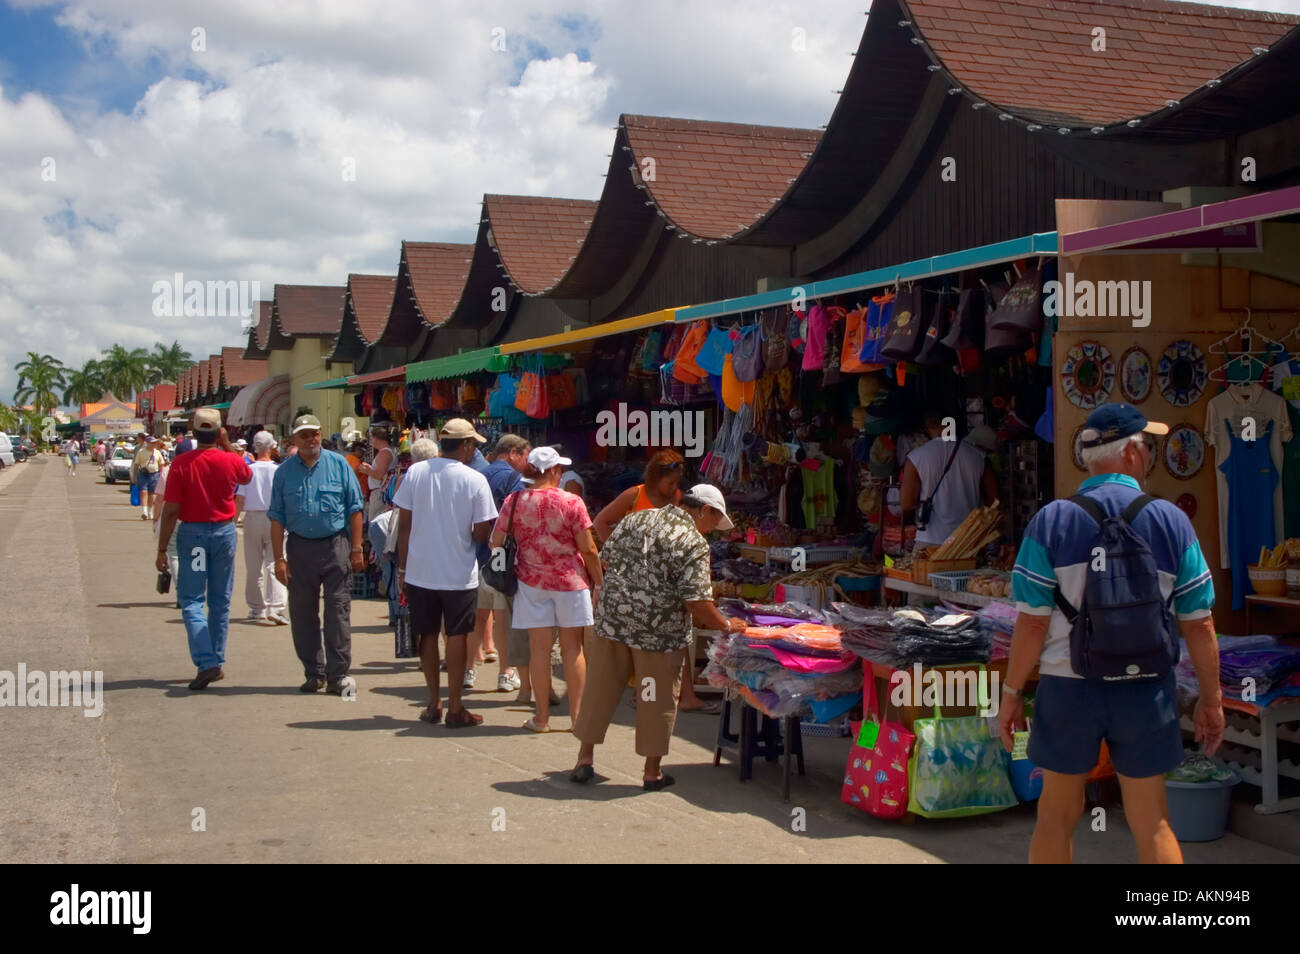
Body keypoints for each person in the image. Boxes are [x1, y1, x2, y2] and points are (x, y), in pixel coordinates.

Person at [1000, 403, 1224, 865]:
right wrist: (1212, 699)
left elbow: (1033, 622)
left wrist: (1011, 692)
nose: (1147, 454)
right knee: (1153, 821)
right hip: (1146, 690)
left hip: (1068, 686)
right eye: (1145, 445)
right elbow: (1199, 621)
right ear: (1130, 455)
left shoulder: (1052, 520)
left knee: (1056, 816)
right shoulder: (1170, 521)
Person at [571, 484, 745, 789]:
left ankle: (584, 760)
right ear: (703, 510)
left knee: (600, 689)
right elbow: (697, 602)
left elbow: (608, 557)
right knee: (656, 699)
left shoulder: (637, 519)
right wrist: (727, 625)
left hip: (615, 621)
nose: (712, 531)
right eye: (714, 522)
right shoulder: (693, 542)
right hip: (659, 636)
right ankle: (652, 773)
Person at [592, 449, 716, 714]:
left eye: (677, 483)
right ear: (654, 478)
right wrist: (617, 556)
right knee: (639, 640)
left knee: (676, 639)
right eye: (670, 482)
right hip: (636, 585)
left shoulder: (679, 500)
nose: (674, 489)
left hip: (666, 583)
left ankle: (683, 694)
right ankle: (644, 694)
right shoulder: (635, 495)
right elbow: (601, 521)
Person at [394, 418, 497, 728]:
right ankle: (455, 706)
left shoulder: (415, 472)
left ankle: (433, 703)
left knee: (427, 633)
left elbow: (404, 525)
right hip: (457, 572)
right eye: (472, 445)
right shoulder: (474, 479)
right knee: (456, 634)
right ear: (464, 445)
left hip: (420, 570)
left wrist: (402, 567)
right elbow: (481, 533)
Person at [491, 446, 602, 733]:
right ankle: (578, 719)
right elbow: (588, 548)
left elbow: (496, 541)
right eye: (560, 469)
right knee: (572, 649)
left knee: (539, 651)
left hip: (531, 582)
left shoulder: (514, 501)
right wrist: (598, 580)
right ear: (553, 471)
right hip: (570, 582)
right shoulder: (572, 502)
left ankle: (541, 719)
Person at [269, 414, 366, 695]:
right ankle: (314, 673)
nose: (310, 439)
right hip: (300, 548)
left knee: (337, 611)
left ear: (320, 434)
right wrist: (278, 559)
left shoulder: (338, 464)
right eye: (304, 435)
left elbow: (354, 508)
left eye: (314, 433)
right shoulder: (284, 473)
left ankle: (338, 675)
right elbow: (276, 518)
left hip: (335, 545)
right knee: (302, 612)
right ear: (294, 440)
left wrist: (357, 549)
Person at [155, 409, 252, 689]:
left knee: (193, 600)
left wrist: (162, 548)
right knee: (220, 601)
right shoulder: (230, 460)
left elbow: (171, 510)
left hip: (195, 536)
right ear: (219, 431)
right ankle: (216, 660)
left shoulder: (182, 463)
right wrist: (228, 444)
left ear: (193, 432)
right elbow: (246, 476)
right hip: (223, 533)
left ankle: (206, 661)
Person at [471, 433, 531, 695]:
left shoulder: (476, 475)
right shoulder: (512, 478)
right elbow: (517, 519)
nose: (526, 463)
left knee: (478, 615)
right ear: (513, 453)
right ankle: (506, 674)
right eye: (525, 457)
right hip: (501, 556)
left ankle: (468, 671)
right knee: (502, 617)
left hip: (476, 553)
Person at [899, 407, 1000, 549]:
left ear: (928, 427)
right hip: (969, 542)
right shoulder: (978, 456)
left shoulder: (916, 458)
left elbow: (907, 503)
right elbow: (994, 501)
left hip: (931, 542)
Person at [236, 431, 288, 625]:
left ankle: (256, 607)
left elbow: (239, 499)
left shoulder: (248, 470)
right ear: (272, 446)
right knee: (276, 562)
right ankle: (276, 607)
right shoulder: (279, 470)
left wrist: (232, 522)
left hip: (252, 518)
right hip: (275, 519)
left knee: (253, 566)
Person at [358, 425, 396, 520]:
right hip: (380, 491)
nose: (371, 441)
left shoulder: (384, 453)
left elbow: (380, 475)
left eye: (372, 438)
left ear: (376, 438)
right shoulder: (385, 452)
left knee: (375, 522)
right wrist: (370, 469)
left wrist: (367, 470)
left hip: (380, 493)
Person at [134, 435, 165, 520]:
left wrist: (162, 475)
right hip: (143, 474)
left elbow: (161, 464)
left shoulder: (157, 452)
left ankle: (150, 511)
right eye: (152, 443)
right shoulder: (141, 451)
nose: (154, 444)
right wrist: (134, 476)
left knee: (151, 494)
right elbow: (136, 464)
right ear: (147, 443)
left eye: (155, 443)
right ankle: (144, 512)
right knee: (143, 492)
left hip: (154, 474)